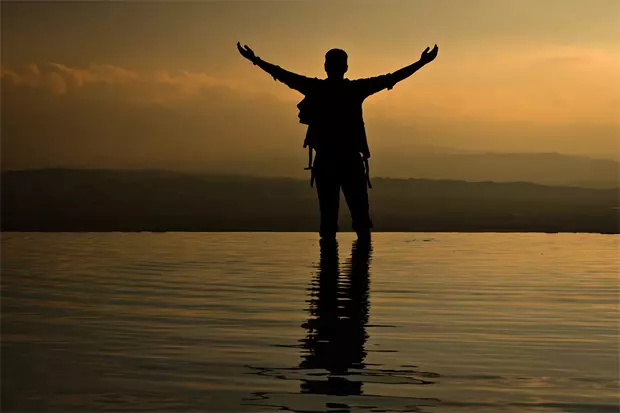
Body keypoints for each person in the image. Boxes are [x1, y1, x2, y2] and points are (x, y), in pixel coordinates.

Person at [237, 42, 439, 241]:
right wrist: (421, 63)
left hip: (326, 162)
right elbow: (392, 78)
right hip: (350, 162)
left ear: (325, 66)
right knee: (360, 218)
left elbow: (283, 75)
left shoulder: (315, 88)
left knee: (328, 220)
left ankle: (328, 271)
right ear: (346, 67)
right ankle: (359, 268)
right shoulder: (355, 89)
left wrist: (255, 60)